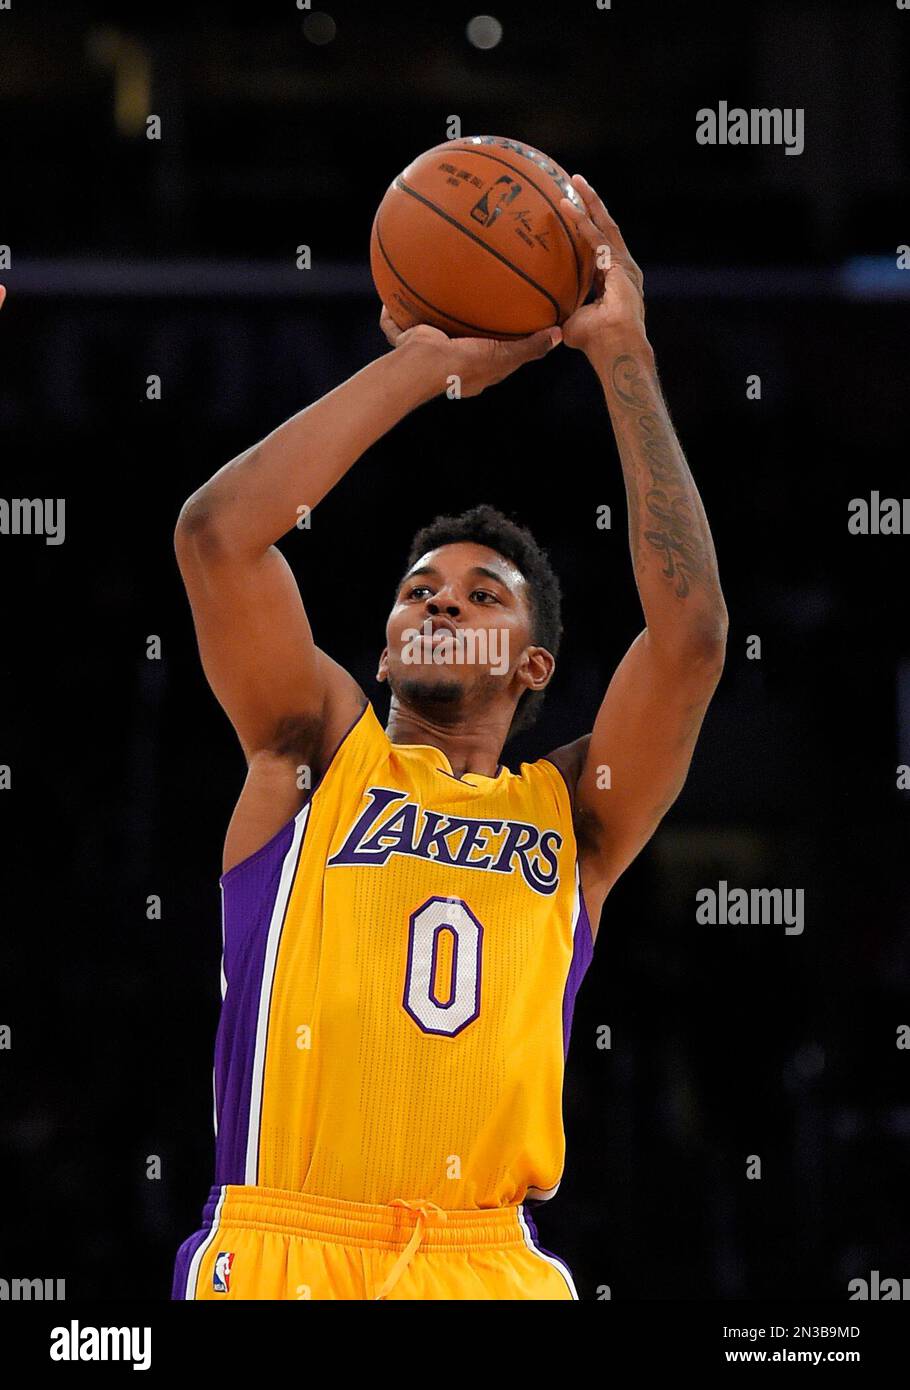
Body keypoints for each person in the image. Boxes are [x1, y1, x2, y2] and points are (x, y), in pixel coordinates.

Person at [171, 175, 727, 1300]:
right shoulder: (312, 753)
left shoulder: (575, 816)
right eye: (419, 589)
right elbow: (219, 536)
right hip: (286, 1249)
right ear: (377, 650)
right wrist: (430, 362)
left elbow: (693, 639)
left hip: (487, 1267)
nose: (439, 603)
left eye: (482, 596)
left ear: (533, 667)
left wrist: (623, 356)